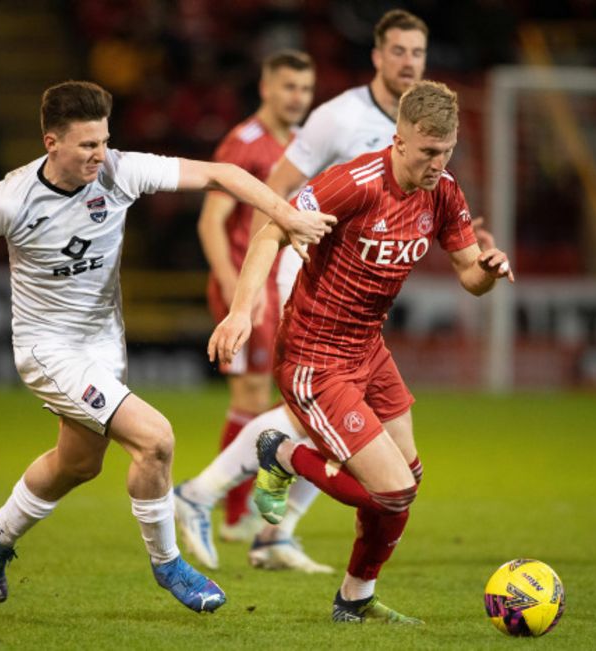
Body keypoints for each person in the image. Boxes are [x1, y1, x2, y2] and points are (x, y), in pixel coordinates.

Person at [0, 80, 334, 614]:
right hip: (48, 349)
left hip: (105, 344)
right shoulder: (5, 201)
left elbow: (220, 174)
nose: (99, 154)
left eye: (104, 141)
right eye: (87, 144)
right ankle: (169, 564)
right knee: (155, 440)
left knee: (78, 463)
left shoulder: (119, 171)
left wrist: (286, 215)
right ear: (51, 142)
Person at [177, 8, 493, 574]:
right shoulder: (338, 120)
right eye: (398, 51)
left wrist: (480, 258)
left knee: (331, 431)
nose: (408, 62)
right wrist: (249, 295)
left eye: (418, 53)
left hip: (363, 328)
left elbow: (463, 260)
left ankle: (259, 524)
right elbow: (275, 202)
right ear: (377, 56)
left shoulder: (435, 160)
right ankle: (227, 499)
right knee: (287, 406)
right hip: (305, 277)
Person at [209, 80, 514, 623]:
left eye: (446, 151)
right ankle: (282, 453)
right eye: (427, 151)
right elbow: (271, 231)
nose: (437, 164)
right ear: (398, 140)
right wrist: (239, 310)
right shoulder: (353, 183)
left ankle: (354, 599)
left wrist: (488, 270)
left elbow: (470, 274)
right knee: (393, 492)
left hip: (368, 351)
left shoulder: (444, 191)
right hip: (314, 357)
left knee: (408, 480)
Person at [185, 50, 319, 554]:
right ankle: (234, 515)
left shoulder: (302, 145)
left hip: (282, 284)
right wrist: (230, 286)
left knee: (281, 397)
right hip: (246, 285)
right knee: (250, 398)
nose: (297, 97)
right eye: (288, 87)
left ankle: (244, 506)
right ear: (265, 88)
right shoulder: (244, 143)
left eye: (305, 89)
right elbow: (210, 221)